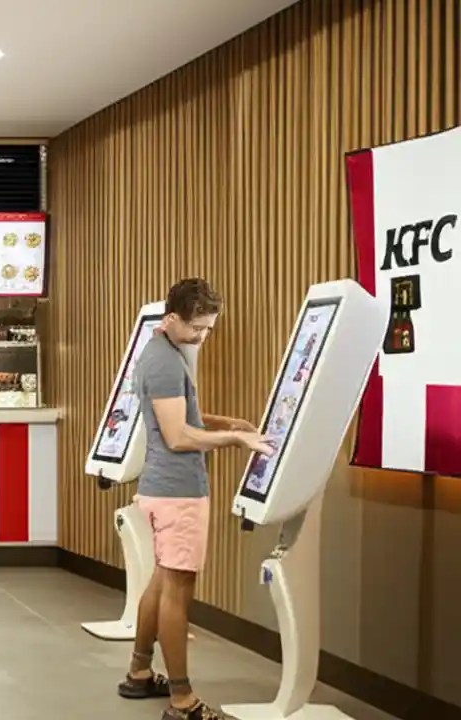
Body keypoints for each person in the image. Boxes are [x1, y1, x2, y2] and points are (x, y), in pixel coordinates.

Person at [117, 278, 274, 720]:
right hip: (178, 494)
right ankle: (183, 701)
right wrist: (234, 440)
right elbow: (178, 435)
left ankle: (140, 674)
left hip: (160, 490)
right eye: (197, 329)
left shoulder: (161, 351)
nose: (202, 337)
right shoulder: (165, 363)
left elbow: (182, 414)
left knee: (159, 585)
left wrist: (230, 422)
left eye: (208, 329)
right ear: (172, 318)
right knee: (177, 594)